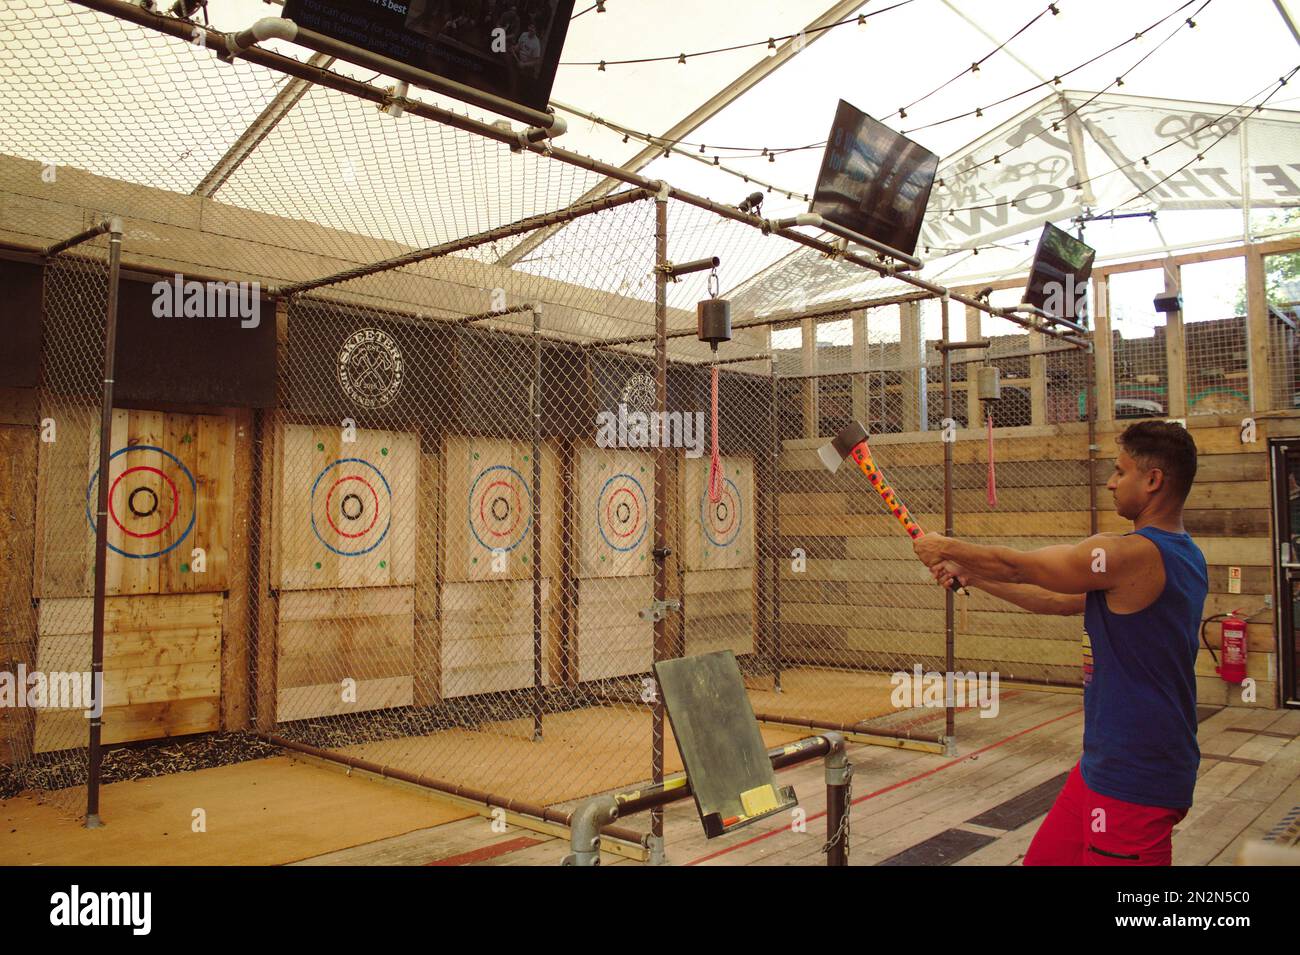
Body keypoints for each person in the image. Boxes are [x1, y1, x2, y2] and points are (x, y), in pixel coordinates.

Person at [912, 420, 1207, 865]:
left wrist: (943, 545)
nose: (1110, 483)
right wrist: (971, 574)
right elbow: (1054, 599)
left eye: (1119, 471)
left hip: (1137, 778)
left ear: (1152, 480)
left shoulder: (1134, 554)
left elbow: (1019, 567)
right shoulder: (1183, 553)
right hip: (1100, 770)